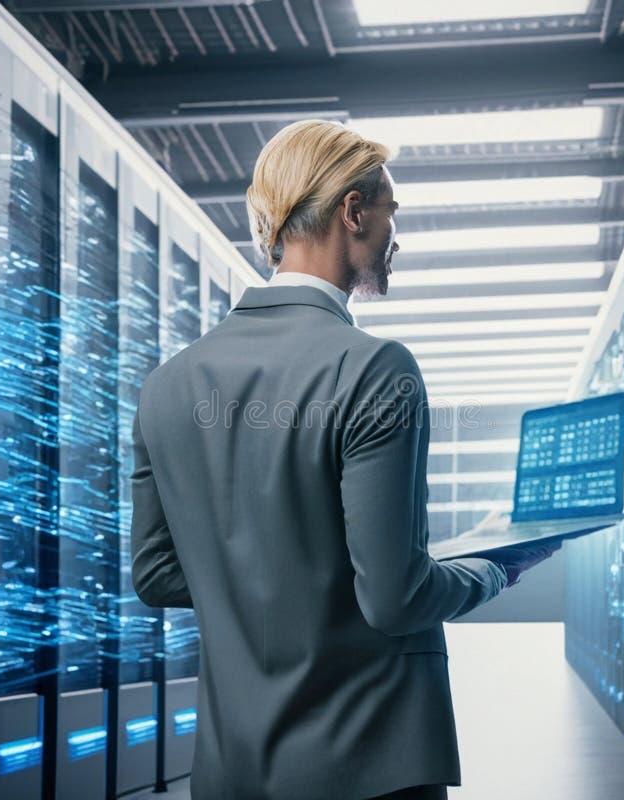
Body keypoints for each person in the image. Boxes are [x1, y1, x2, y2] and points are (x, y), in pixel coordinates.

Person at [129, 119, 559, 800]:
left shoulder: (167, 386)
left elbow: (155, 574)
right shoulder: (374, 370)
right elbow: (394, 597)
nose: (397, 236)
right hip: (370, 765)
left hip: (230, 772)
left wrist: (279, 575)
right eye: (392, 213)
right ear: (353, 212)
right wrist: (494, 570)